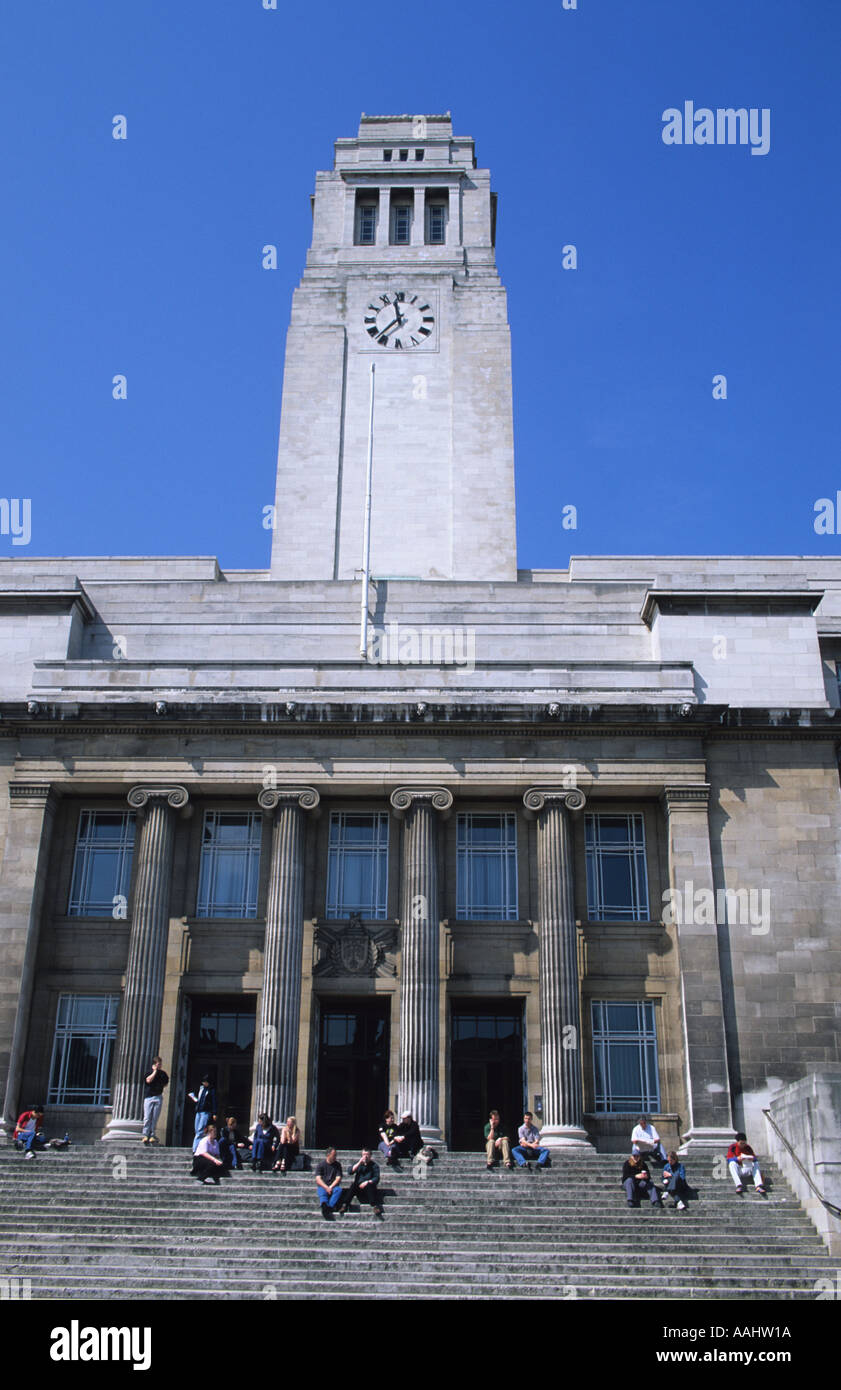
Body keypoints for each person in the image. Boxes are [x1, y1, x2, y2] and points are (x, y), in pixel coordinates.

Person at [340, 1148, 383, 1218]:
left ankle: (375, 1206)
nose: (365, 1156)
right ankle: (345, 1205)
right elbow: (350, 1171)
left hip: (369, 1187)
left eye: (367, 1155)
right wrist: (359, 1162)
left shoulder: (374, 1166)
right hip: (358, 1187)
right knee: (353, 1185)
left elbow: (376, 1178)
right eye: (363, 1154)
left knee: (370, 1185)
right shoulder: (358, 1164)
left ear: (370, 1155)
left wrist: (367, 1182)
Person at [141, 1056, 169, 1145]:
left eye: (160, 1064)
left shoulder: (163, 1074)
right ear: (154, 1064)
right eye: (158, 1064)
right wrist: (155, 1072)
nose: (159, 1066)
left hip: (158, 1097)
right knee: (147, 1117)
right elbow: (148, 1080)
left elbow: (165, 1084)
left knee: (154, 1117)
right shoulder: (149, 1073)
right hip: (149, 1097)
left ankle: (152, 1135)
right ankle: (145, 1135)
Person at [187, 1075, 217, 1154]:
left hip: (205, 1111)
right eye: (203, 1082)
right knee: (197, 1130)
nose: (204, 1083)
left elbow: (214, 1101)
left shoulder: (211, 1090)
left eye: (205, 1082)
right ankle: (200, 1146)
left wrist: (214, 1112)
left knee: (200, 1130)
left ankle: (195, 1149)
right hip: (198, 1111)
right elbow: (195, 1095)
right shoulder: (201, 1088)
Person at [315, 1146, 344, 1219]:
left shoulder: (337, 1165)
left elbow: (338, 1178)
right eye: (334, 1155)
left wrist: (330, 1187)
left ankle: (329, 1207)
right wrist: (326, 1187)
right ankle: (324, 1205)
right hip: (323, 1186)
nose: (335, 1157)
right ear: (328, 1155)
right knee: (321, 1191)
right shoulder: (321, 1165)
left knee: (338, 1190)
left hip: (333, 1187)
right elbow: (318, 1179)